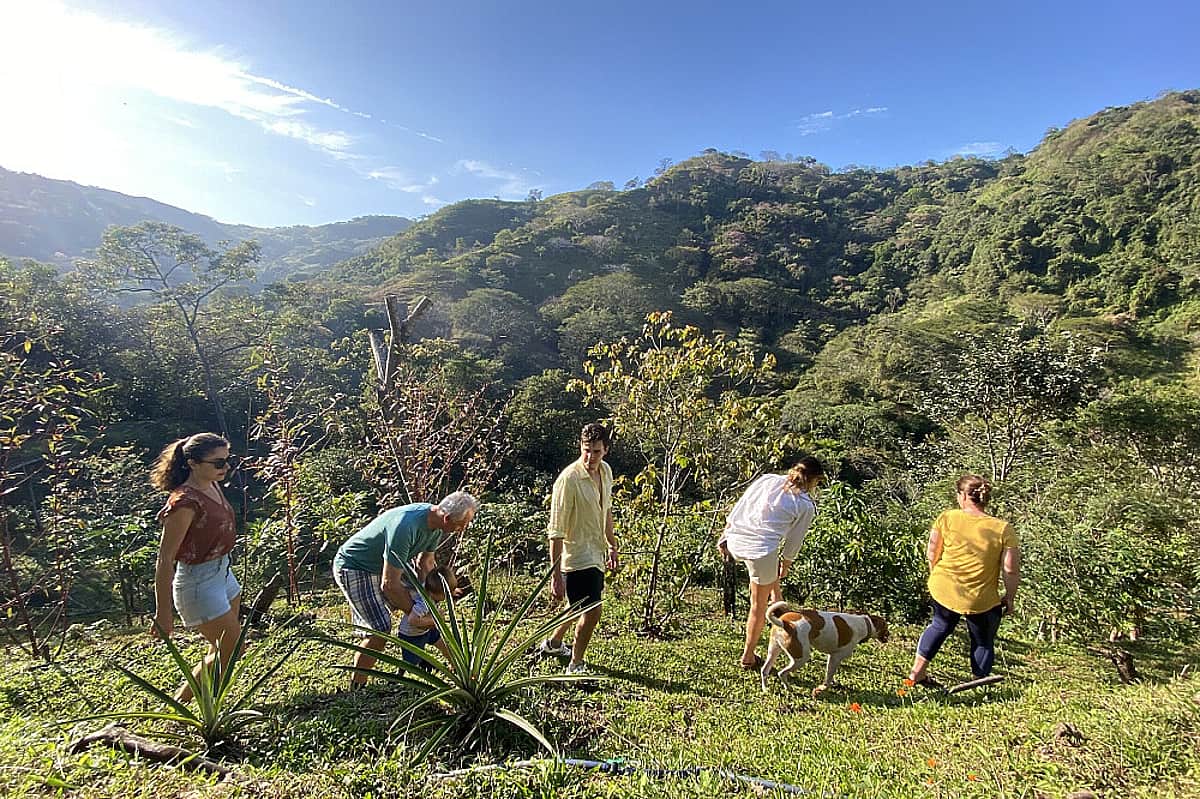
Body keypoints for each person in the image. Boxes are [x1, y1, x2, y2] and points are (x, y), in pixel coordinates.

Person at [333, 491, 478, 688]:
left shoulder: (435, 526)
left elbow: (425, 564)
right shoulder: (406, 527)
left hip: (388, 564)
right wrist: (419, 617)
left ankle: (459, 669)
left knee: (429, 615)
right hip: (356, 566)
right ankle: (357, 687)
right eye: (461, 525)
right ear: (447, 518)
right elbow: (390, 584)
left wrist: (437, 595)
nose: (462, 529)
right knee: (380, 630)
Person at [149, 432, 241, 703]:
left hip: (223, 573)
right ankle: (185, 707)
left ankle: (207, 704)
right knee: (232, 648)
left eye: (228, 460)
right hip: (198, 583)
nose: (225, 468)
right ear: (193, 463)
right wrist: (163, 613)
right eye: (218, 462)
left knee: (223, 650)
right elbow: (165, 560)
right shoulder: (183, 503)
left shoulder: (212, 484)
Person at [907, 475, 1021, 686]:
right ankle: (978, 683)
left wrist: (935, 575)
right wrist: (1010, 598)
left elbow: (932, 552)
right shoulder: (1003, 528)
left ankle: (917, 673)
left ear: (963, 496)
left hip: (944, 587)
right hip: (981, 598)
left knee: (939, 626)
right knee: (983, 640)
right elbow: (1010, 570)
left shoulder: (947, 518)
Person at [718, 456, 824, 670]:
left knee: (770, 583)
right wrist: (786, 564)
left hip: (736, 540)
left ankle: (783, 616)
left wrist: (724, 535)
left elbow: (741, 505)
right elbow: (794, 541)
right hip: (761, 551)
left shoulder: (768, 480)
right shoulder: (805, 504)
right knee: (758, 606)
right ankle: (748, 657)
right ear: (814, 480)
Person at [538, 423, 618, 675]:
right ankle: (576, 663)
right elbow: (556, 530)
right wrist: (555, 577)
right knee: (593, 610)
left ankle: (553, 644)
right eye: (586, 450)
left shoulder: (605, 472)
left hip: (596, 552)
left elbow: (606, 511)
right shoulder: (569, 479)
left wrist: (612, 544)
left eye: (596, 451)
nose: (590, 457)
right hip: (576, 557)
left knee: (576, 606)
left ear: (606, 450)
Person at [396, 567, 456, 672]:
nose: (449, 596)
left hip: (427, 629)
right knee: (410, 662)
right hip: (411, 635)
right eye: (447, 593)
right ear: (435, 594)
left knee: (445, 644)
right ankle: (398, 677)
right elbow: (412, 620)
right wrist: (435, 619)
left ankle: (455, 666)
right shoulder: (424, 603)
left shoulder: (429, 588)